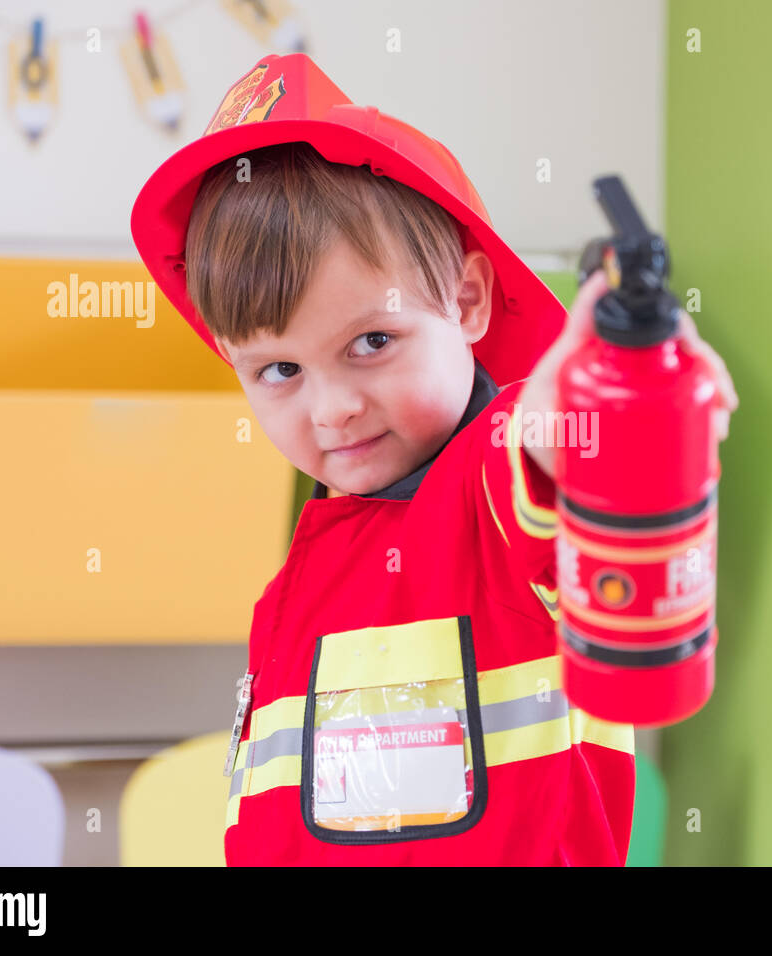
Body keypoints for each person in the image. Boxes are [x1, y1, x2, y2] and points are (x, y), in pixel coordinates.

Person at [131, 53, 737, 865]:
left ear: (468, 300)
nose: (332, 408)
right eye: (279, 370)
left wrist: (616, 380)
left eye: (372, 342)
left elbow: (547, 438)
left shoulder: (490, 498)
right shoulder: (289, 594)